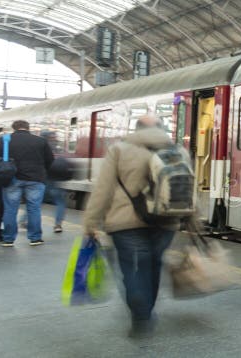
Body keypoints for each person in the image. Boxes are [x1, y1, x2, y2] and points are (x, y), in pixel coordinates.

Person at [83, 115, 184, 337]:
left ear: (136, 129)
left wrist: (91, 222)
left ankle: (141, 316)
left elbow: (103, 189)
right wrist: (195, 222)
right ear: (161, 128)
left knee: (134, 268)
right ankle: (146, 309)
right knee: (154, 265)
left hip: (125, 222)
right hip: (165, 221)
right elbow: (187, 191)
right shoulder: (177, 151)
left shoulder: (119, 150)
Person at [0, 121, 54, 247]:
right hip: (36, 179)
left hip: (11, 179)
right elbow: (50, 160)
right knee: (34, 209)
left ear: (13, 128)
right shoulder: (40, 141)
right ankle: (35, 238)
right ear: (28, 128)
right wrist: (41, 171)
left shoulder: (4, 140)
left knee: (10, 209)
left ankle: (8, 239)